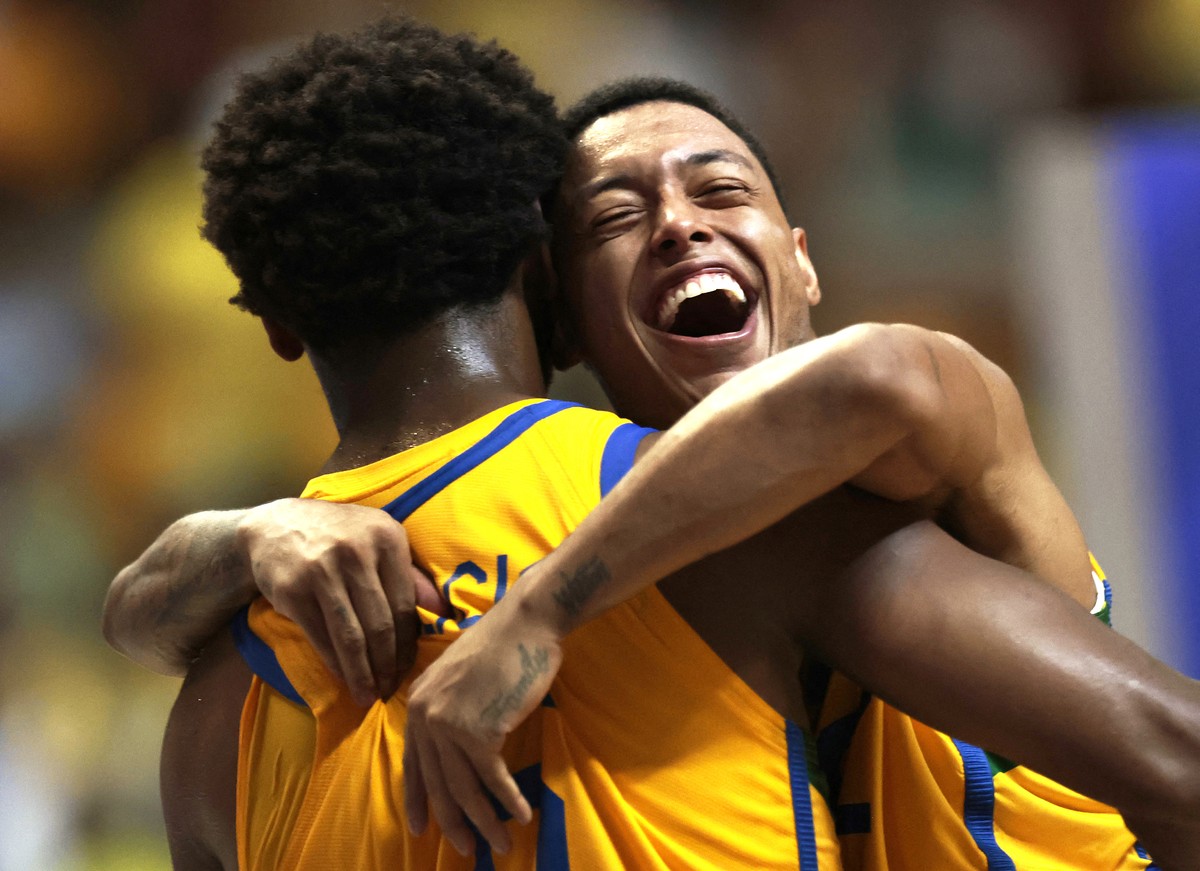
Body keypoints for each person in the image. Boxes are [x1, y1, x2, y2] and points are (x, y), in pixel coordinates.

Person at [106, 27, 1198, 871]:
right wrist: (242, 534)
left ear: (804, 258)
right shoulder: (747, 536)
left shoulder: (209, 718)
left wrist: (536, 606)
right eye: (616, 216)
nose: (679, 224)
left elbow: (878, 381)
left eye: (721, 189)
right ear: (552, 295)